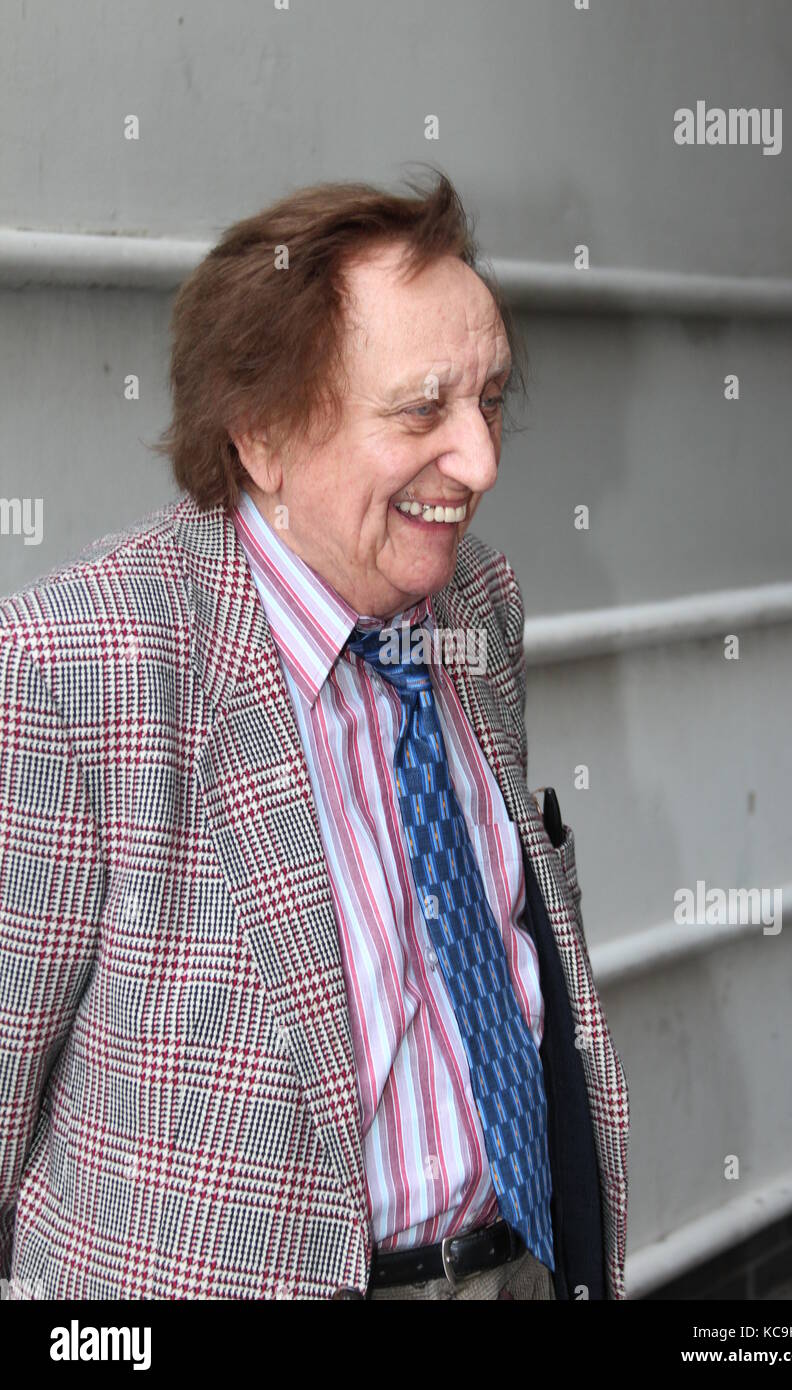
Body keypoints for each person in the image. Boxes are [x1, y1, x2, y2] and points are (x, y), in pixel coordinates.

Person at [0, 172, 629, 1300]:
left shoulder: (476, 601)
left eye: (488, 399)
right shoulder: (77, 663)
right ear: (262, 433)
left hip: (515, 1267)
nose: (480, 460)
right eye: (421, 409)